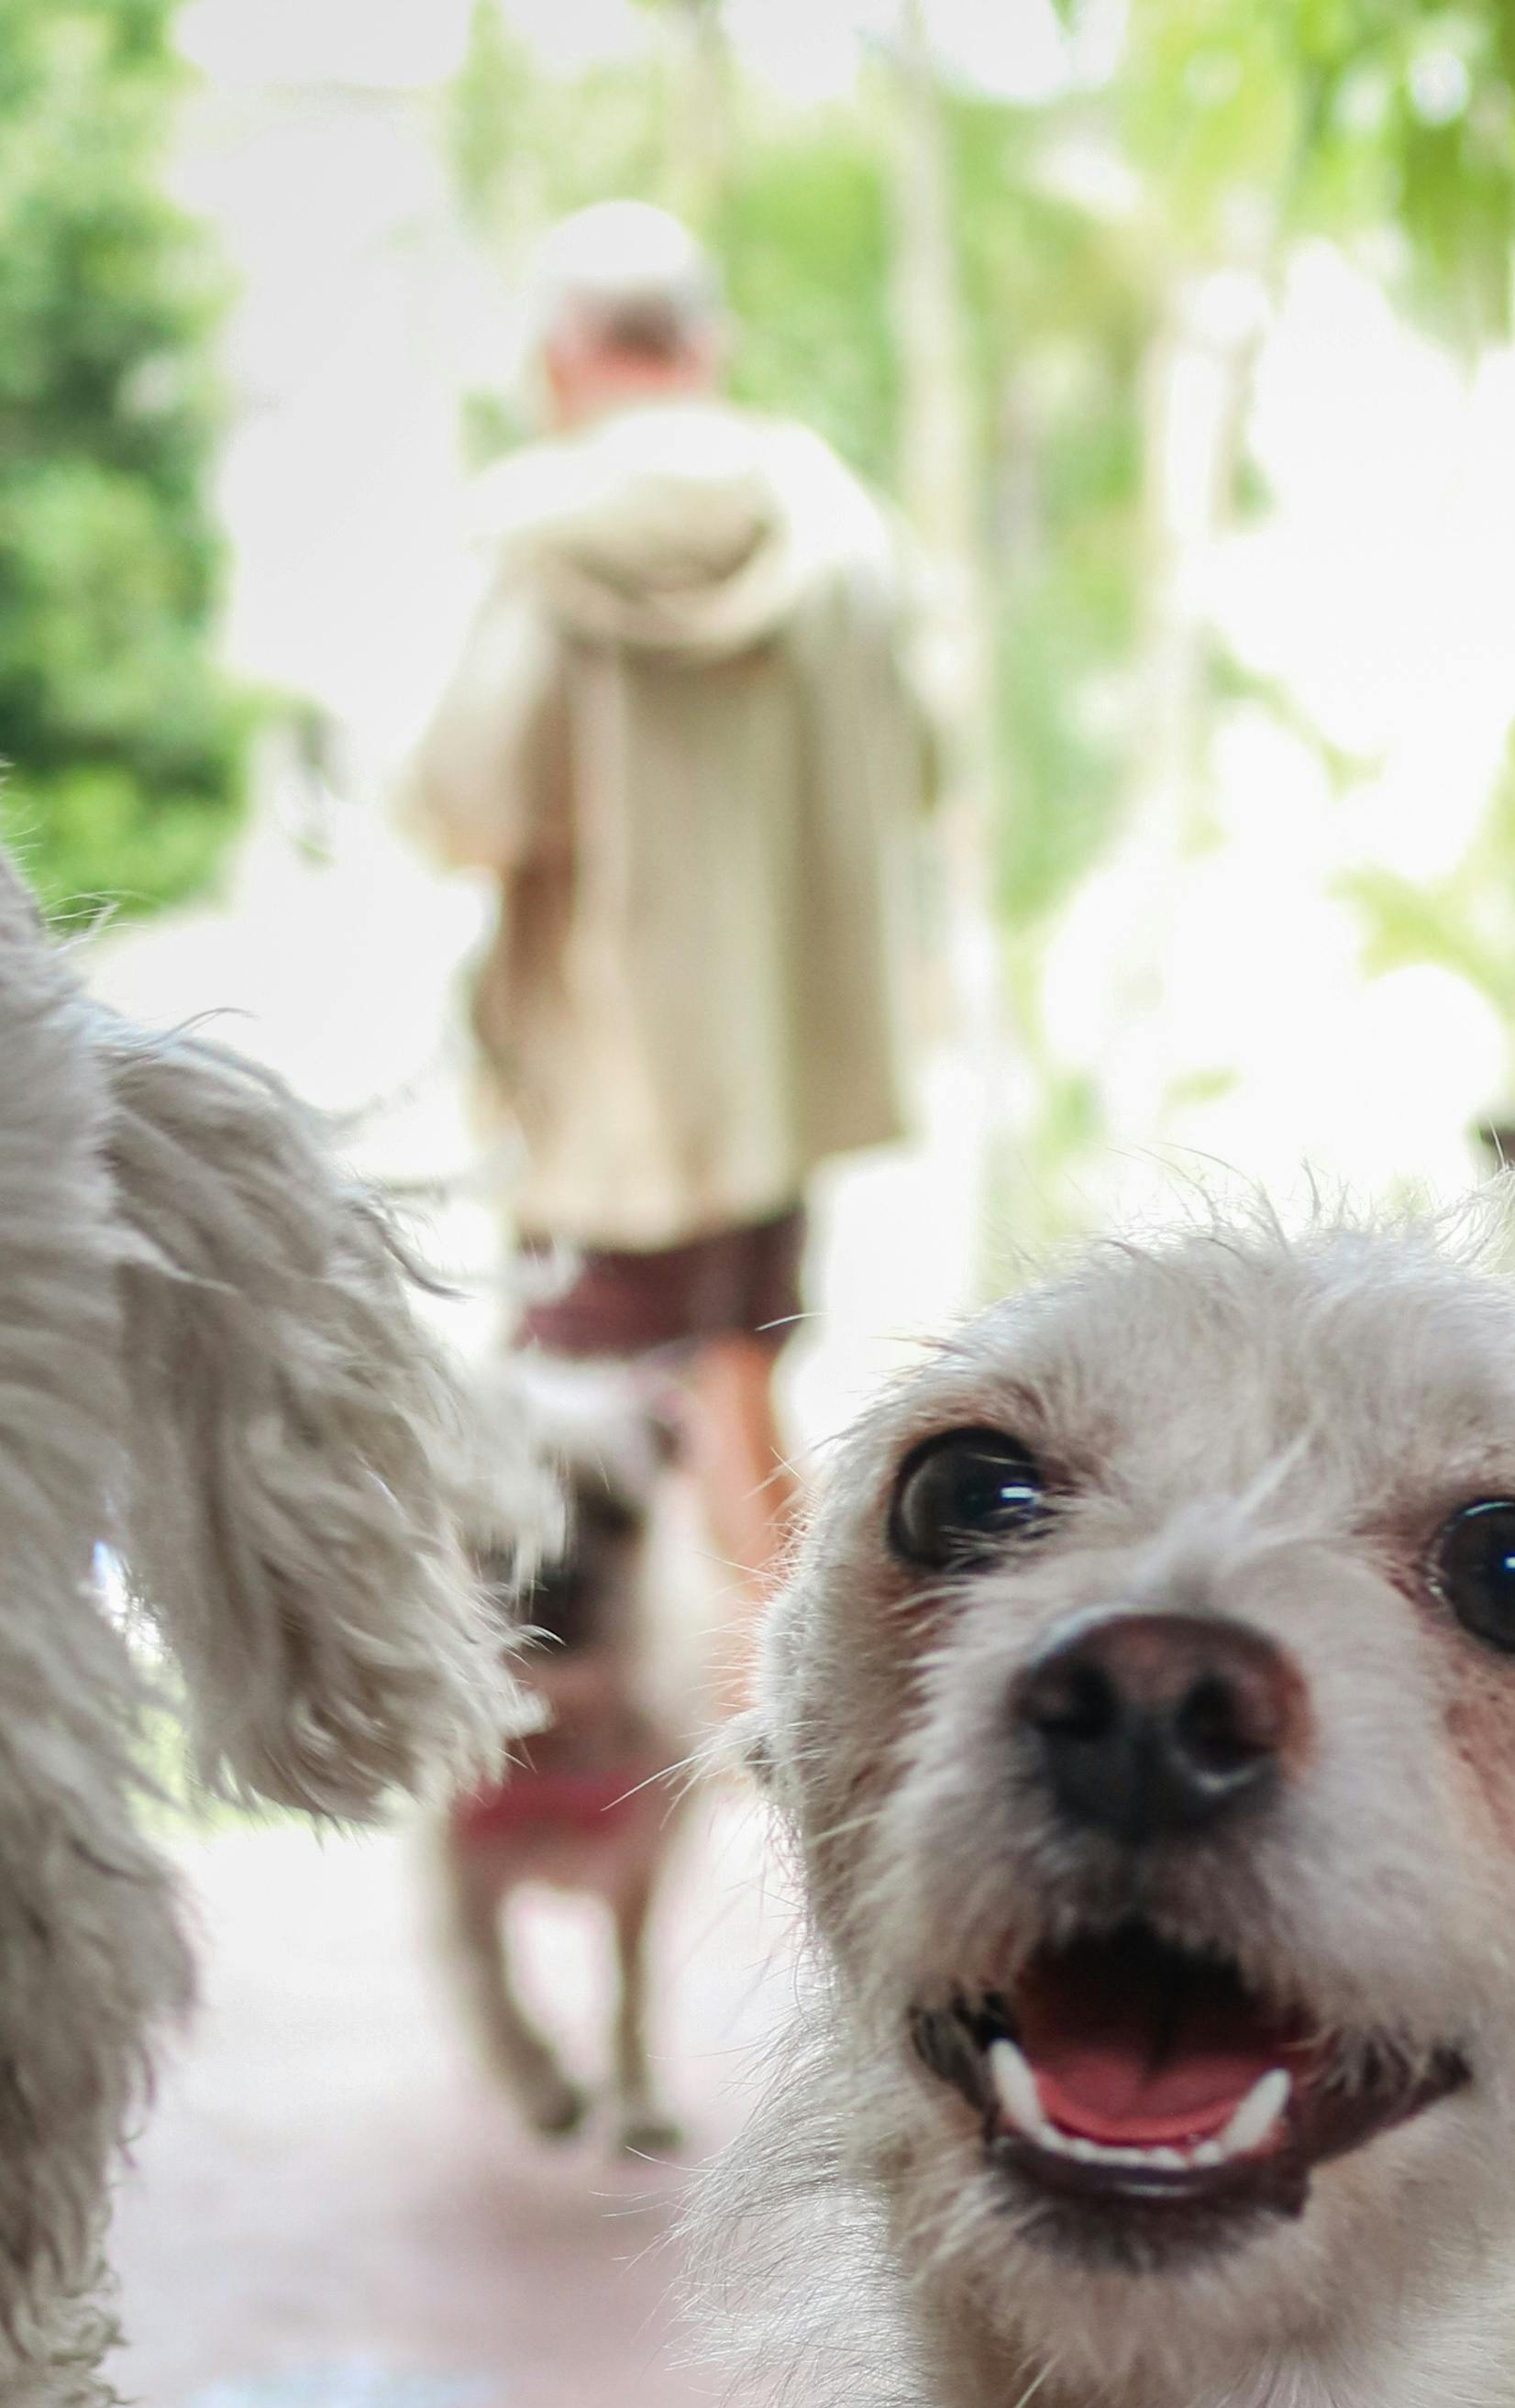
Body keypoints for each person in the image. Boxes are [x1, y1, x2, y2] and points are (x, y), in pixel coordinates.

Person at [408, 200, 929, 1608]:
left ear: (563, 353)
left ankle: (645, 1777)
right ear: (708, 345)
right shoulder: (838, 532)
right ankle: (811, 1742)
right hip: (767, 1081)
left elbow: (467, 800)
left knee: (572, 1467)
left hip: (615, 1094)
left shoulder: (555, 545)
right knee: (731, 1386)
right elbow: (927, 764)